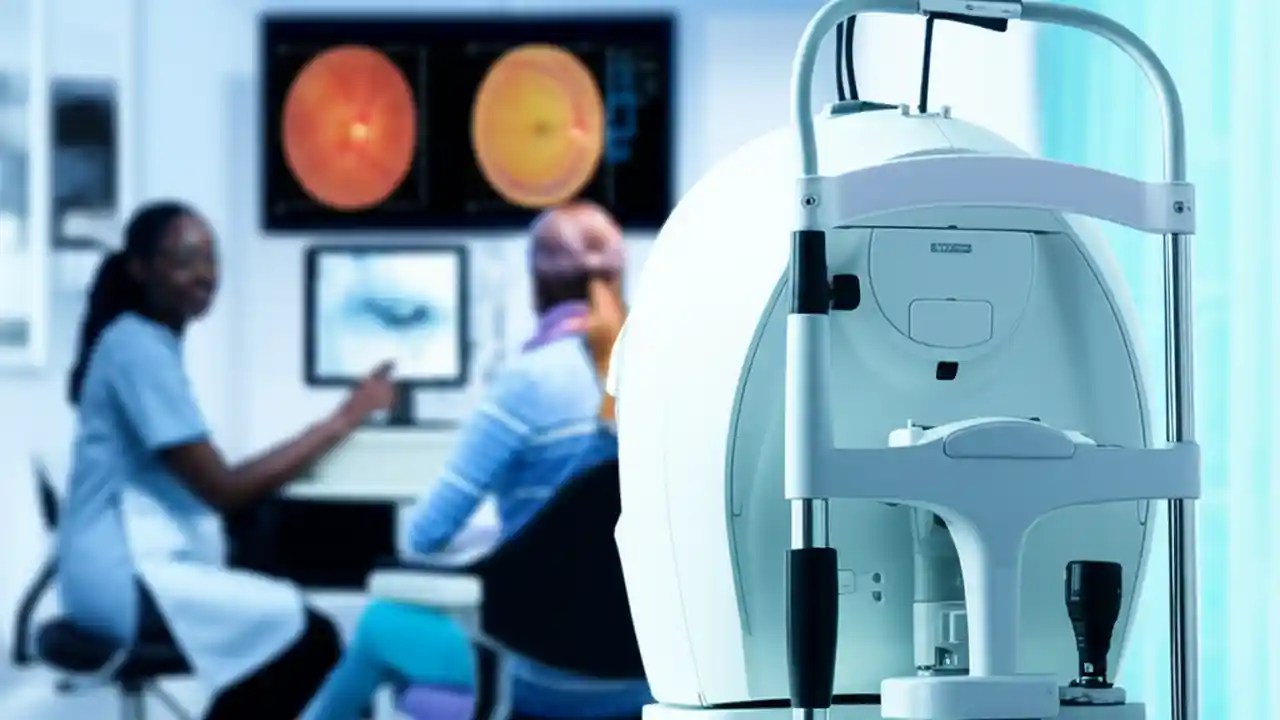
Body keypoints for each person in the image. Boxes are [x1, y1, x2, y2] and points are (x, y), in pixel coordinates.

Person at [300, 200, 648, 720]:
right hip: (645, 678)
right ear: (619, 277)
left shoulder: (527, 384)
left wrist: (505, 544)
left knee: (378, 624)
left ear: (538, 286)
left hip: (540, 676)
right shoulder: (660, 374)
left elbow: (424, 537)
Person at [57, 200, 396, 719]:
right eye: (185, 261)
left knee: (290, 627)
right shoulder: (136, 348)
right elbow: (223, 489)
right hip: (125, 580)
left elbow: (210, 481)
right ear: (140, 269)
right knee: (309, 638)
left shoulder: (147, 341)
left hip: (128, 565)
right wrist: (344, 419)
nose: (205, 276)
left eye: (211, 260)